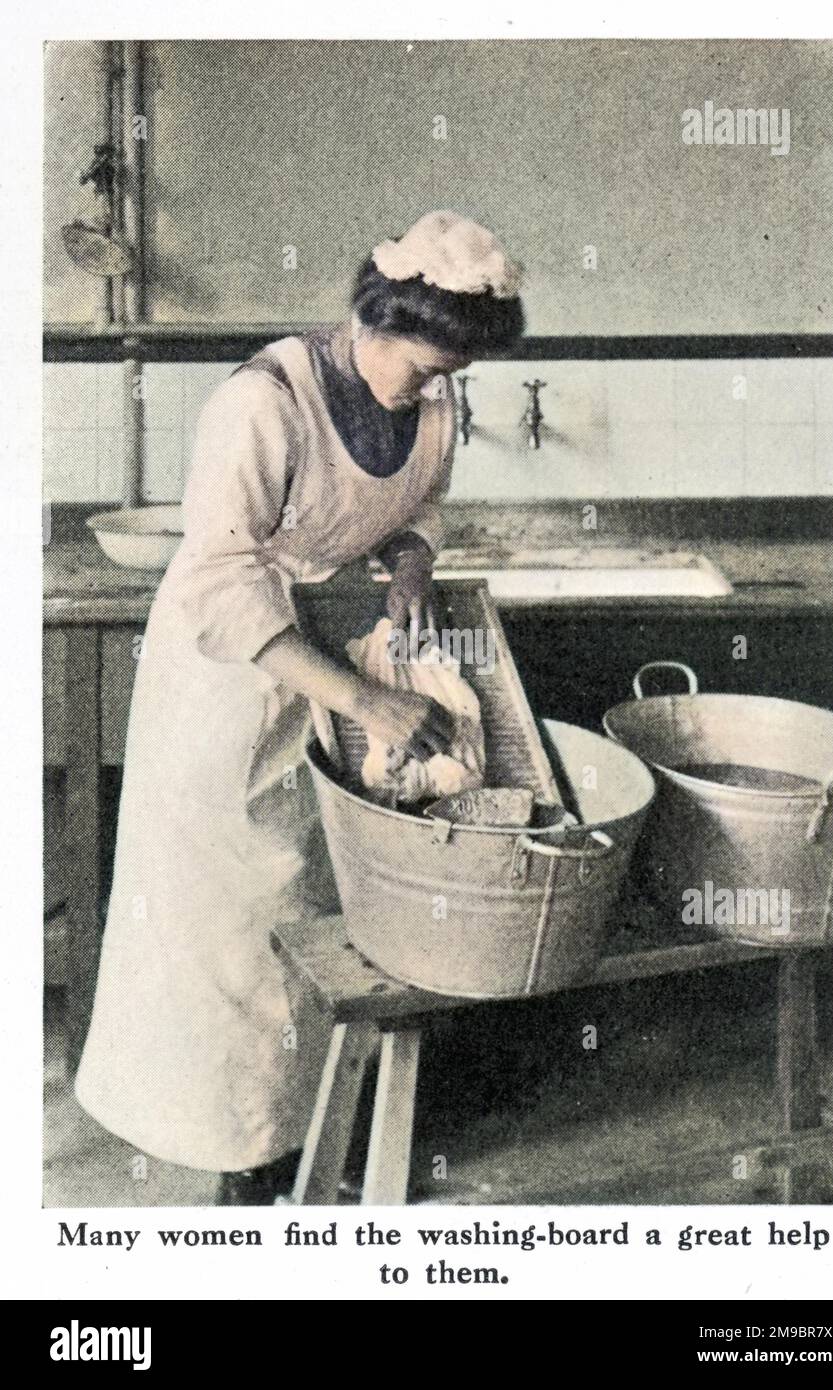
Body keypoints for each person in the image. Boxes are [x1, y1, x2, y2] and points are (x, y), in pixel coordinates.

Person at [74, 211, 525, 1204]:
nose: (436, 386)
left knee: (323, 915)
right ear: (375, 317)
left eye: (452, 371)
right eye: (423, 365)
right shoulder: (264, 403)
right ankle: (243, 1156)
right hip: (228, 685)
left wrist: (411, 561)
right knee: (233, 931)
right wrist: (365, 696)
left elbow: (419, 506)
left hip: (330, 673)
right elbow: (220, 580)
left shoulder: (435, 402)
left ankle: (317, 1125)